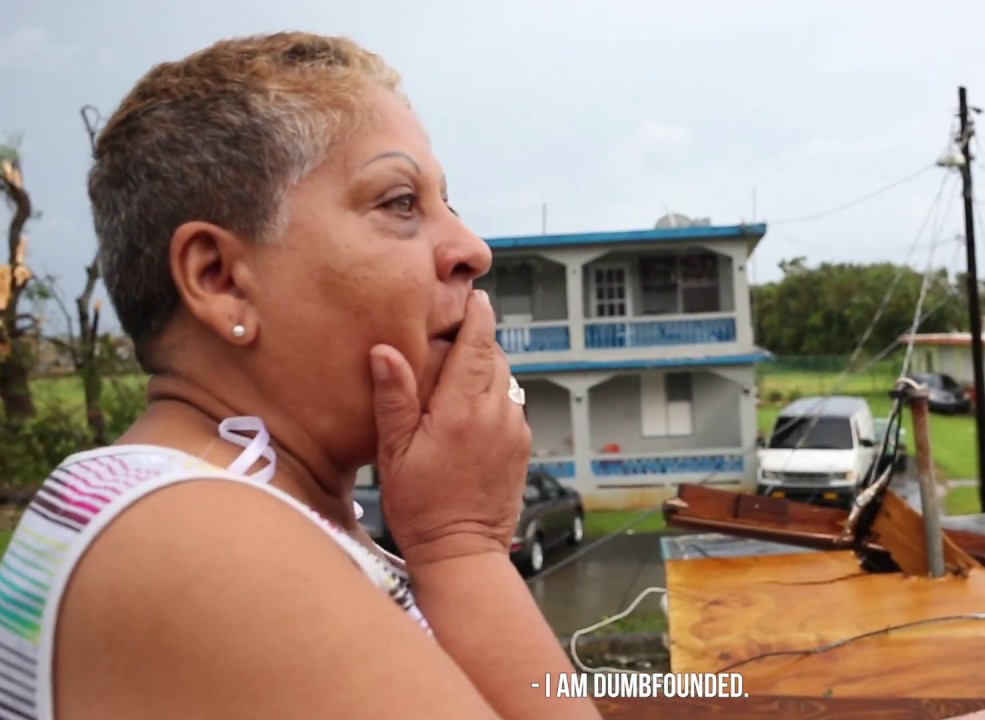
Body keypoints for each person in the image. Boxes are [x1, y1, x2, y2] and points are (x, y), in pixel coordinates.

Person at [0, 32, 602, 720]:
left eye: (449, 205)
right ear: (221, 280)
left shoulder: (220, 513)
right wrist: (461, 546)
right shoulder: (199, 541)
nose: (473, 250)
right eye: (401, 202)